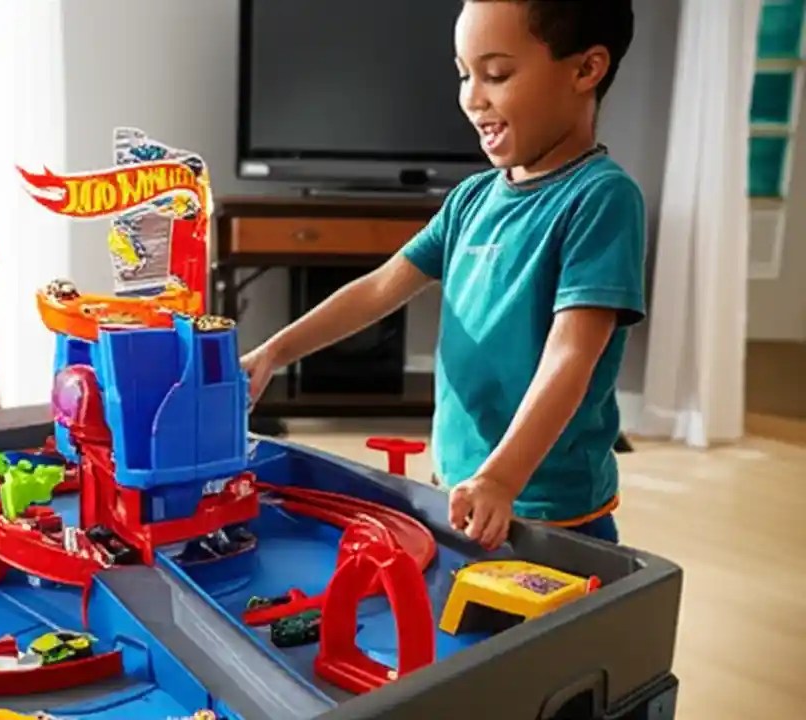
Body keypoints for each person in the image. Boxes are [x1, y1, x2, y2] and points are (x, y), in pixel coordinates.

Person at [242, 0, 641, 549]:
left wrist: (502, 478)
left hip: (549, 507)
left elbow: (572, 353)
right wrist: (274, 351)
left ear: (585, 69)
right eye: (464, 74)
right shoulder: (471, 199)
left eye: (497, 74)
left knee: (560, 632)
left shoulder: (601, 197)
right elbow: (379, 288)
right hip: (461, 490)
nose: (473, 97)